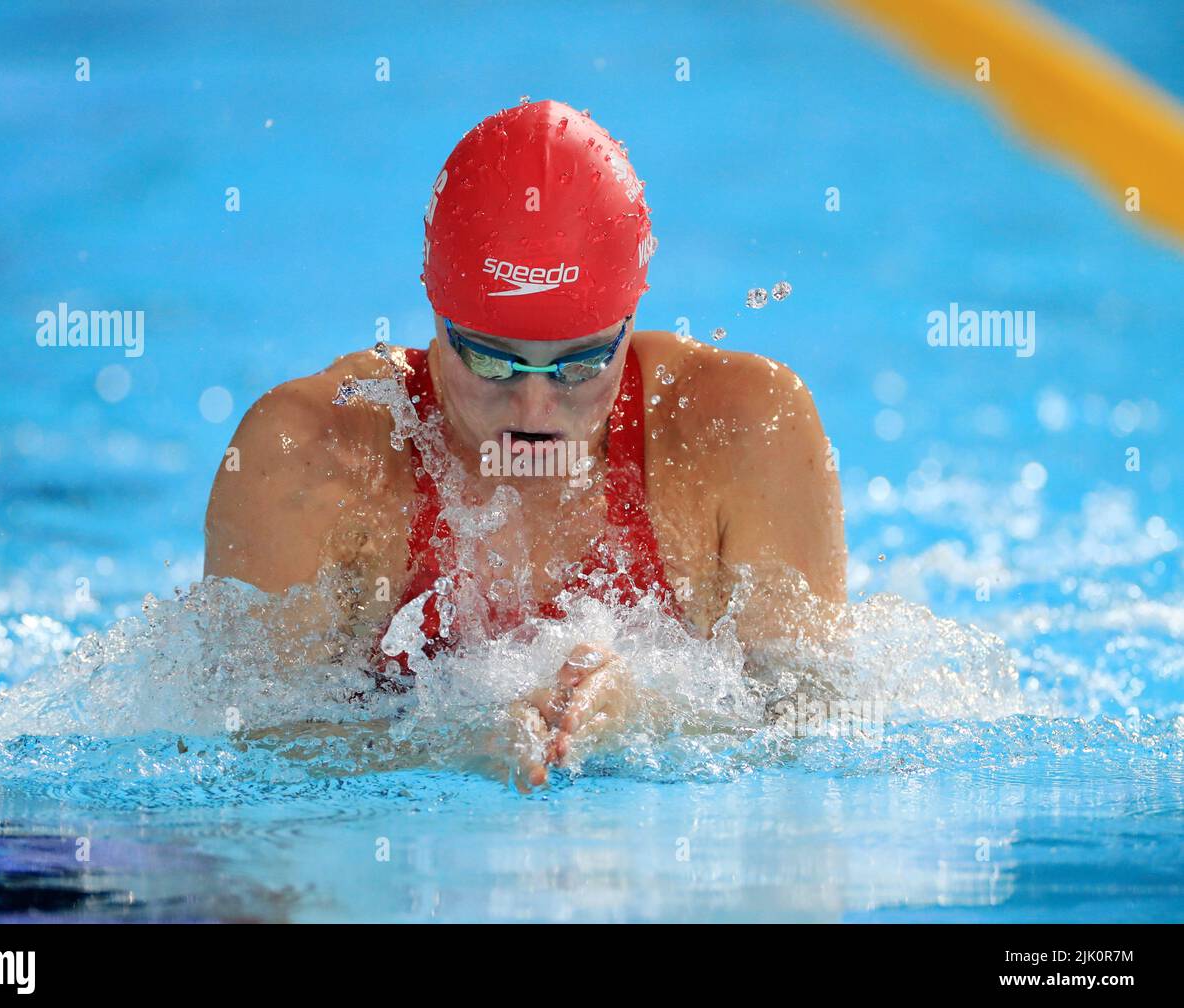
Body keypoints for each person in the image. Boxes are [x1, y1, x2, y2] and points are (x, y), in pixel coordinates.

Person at [204, 99, 847, 786]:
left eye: (580, 365)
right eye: (490, 360)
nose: (536, 408)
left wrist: (650, 713)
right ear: (436, 316)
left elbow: (817, 724)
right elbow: (242, 748)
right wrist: (449, 745)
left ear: (630, 321)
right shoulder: (310, 454)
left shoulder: (742, 430)